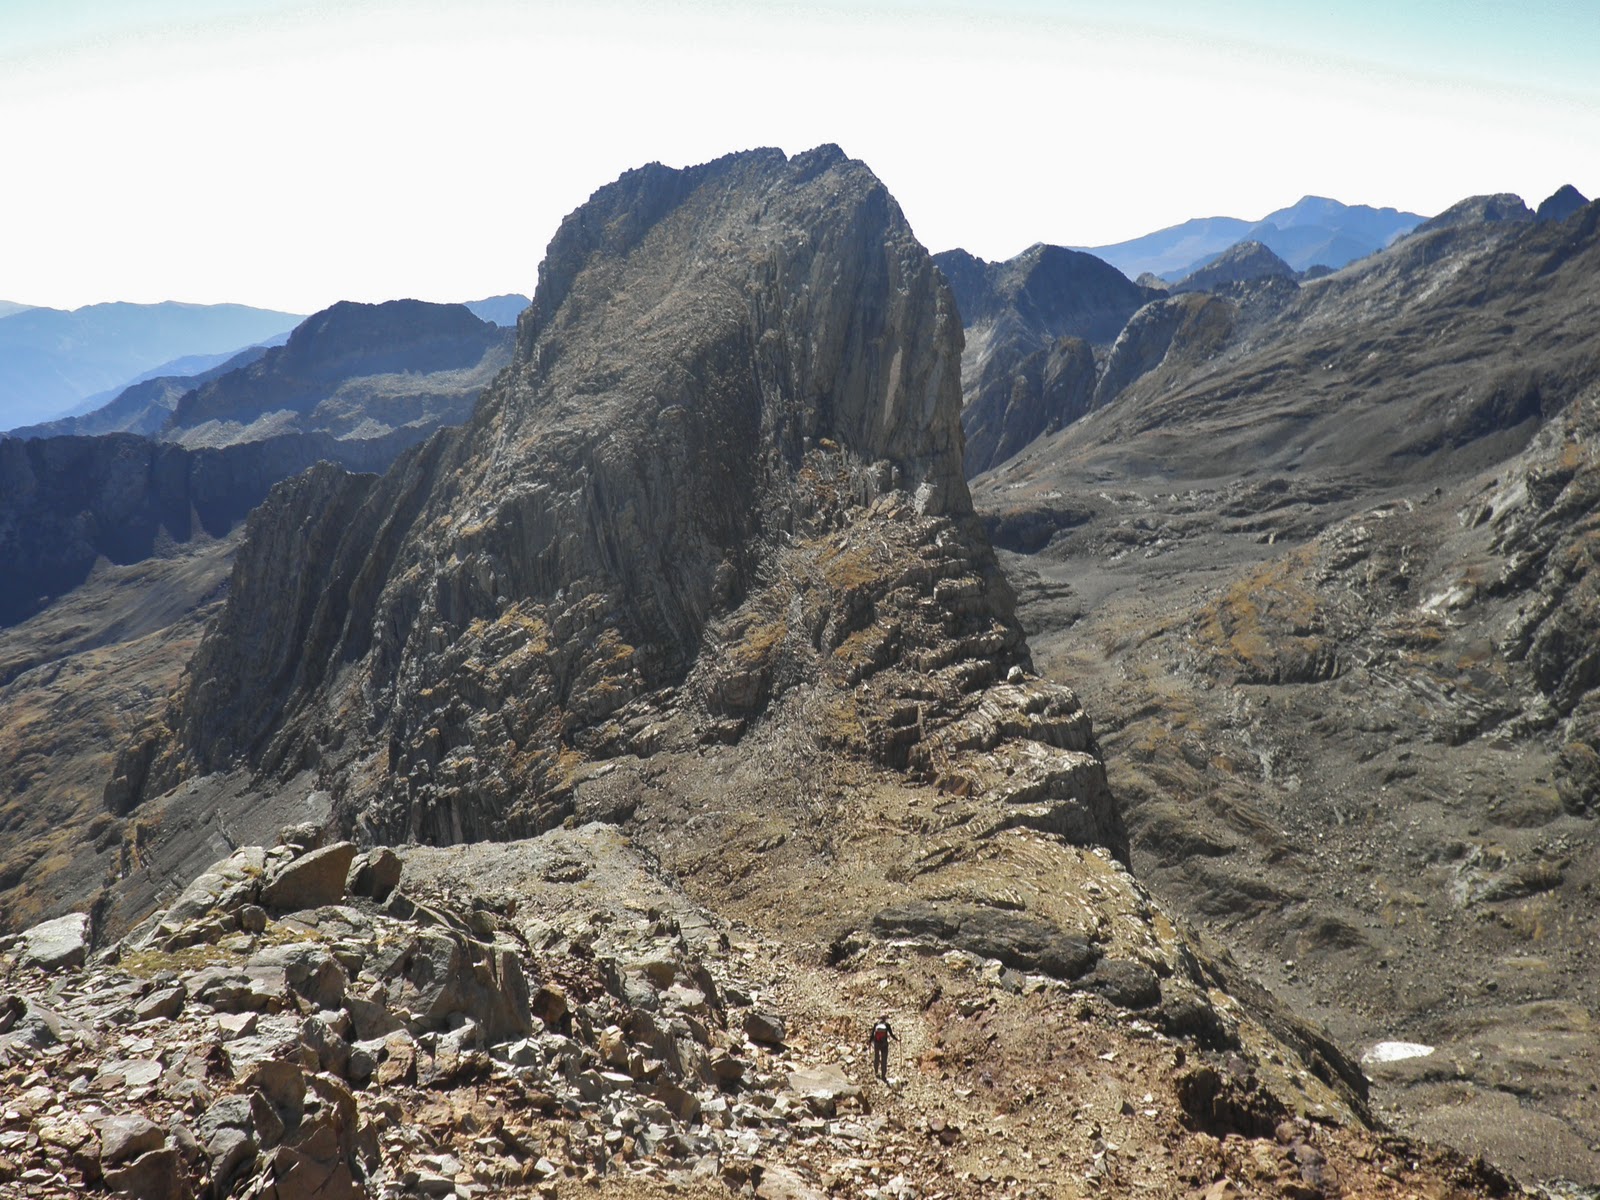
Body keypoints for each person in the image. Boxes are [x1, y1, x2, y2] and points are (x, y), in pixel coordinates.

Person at [869, 1014, 897, 1080]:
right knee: (884, 1059)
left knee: (877, 1057)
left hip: (877, 1044)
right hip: (884, 1044)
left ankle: (876, 1071)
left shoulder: (876, 1024)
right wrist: (897, 1039)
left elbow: (872, 1034)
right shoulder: (887, 1025)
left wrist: (869, 1041)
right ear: (885, 1019)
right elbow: (891, 1034)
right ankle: (883, 1075)